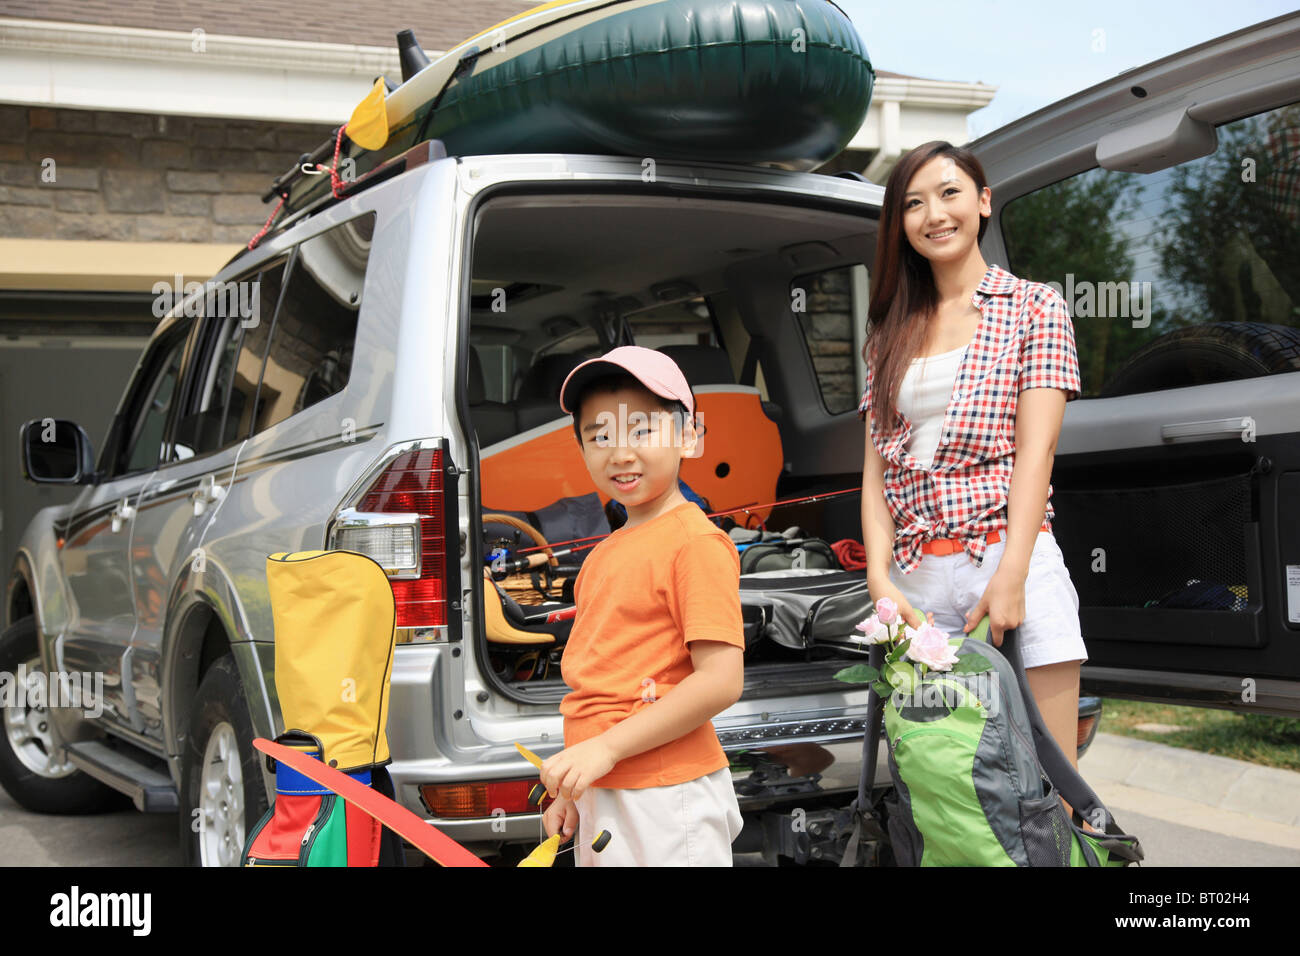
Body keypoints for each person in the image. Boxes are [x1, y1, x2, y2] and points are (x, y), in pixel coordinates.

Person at [858, 140, 1093, 813]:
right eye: (913, 202)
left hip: (1006, 554)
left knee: (1051, 787)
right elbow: (876, 474)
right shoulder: (888, 334)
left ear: (983, 201)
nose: (935, 212)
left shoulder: (1035, 309)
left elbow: (1035, 454)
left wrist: (1012, 570)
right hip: (915, 579)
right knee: (943, 789)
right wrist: (879, 579)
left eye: (950, 192)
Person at [539, 345, 746, 866]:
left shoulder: (694, 543)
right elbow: (601, 683)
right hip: (608, 788)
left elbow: (721, 680)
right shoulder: (603, 554)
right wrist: (572, 790)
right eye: (600, 435)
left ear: (690, 436)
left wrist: (605, 750)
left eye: (642, 430)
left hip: (665, 795)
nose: (620, 452)